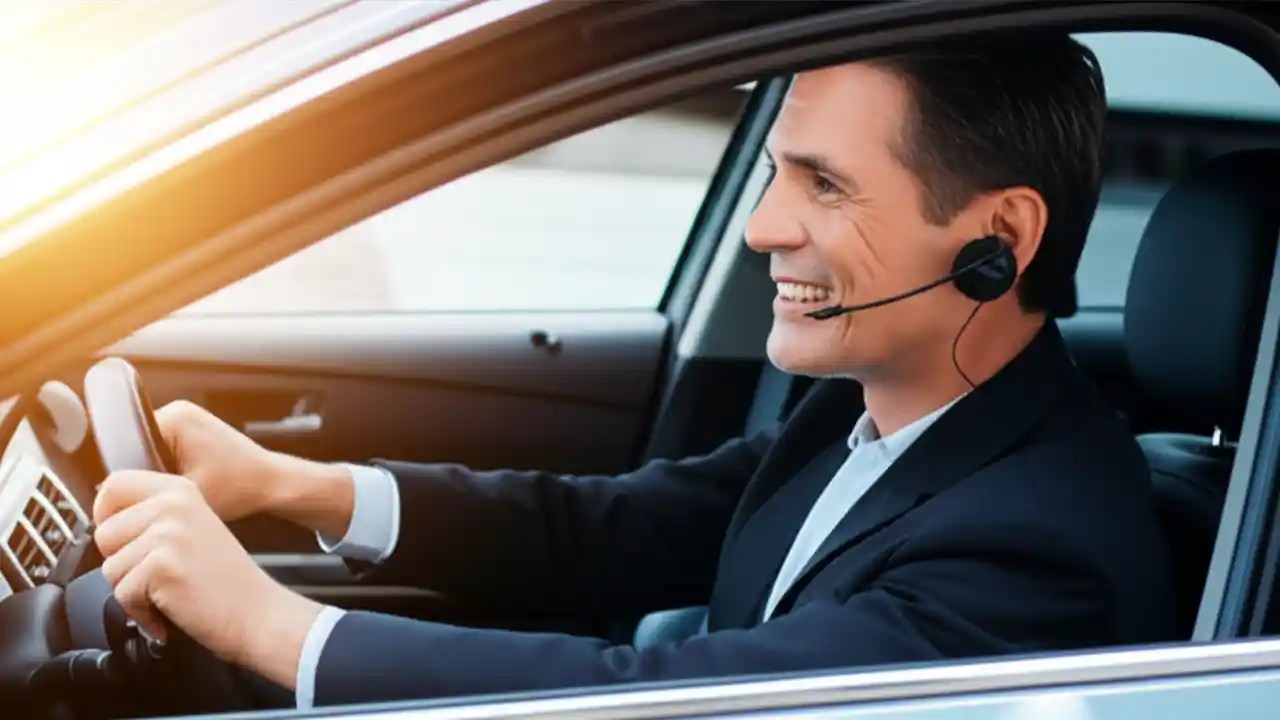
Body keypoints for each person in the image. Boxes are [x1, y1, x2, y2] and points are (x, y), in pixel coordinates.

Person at [91, 33, 1175, 709]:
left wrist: (269, 626)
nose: (761, 227)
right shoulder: (873, 417)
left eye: (824, 185)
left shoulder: (1040, 546)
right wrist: (291, 487)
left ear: (998, 239)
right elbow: (607, 529)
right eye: (773, 174)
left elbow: (687, 698)